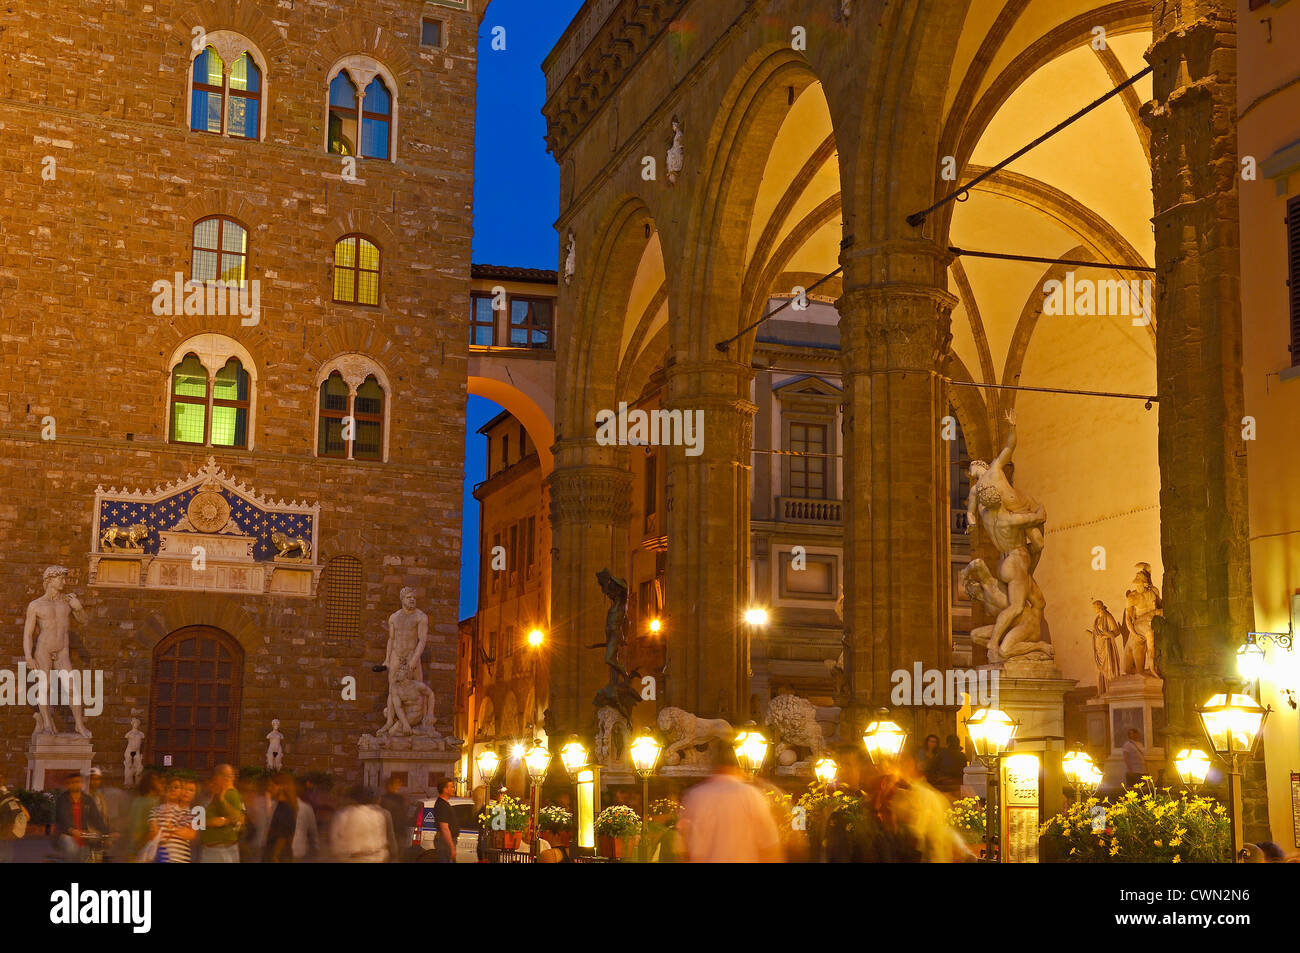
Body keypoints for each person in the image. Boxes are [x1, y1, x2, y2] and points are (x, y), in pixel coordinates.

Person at [679, 747, 781, 863]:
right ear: (737, 766)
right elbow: (770, 844)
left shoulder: (695, 796)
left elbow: (685, 846)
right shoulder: (751, 795)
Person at [330, 786, 396, 863]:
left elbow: (335, 843)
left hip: (353, 858)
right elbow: (385, 838)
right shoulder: (378, 815)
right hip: (377, 857)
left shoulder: (343, 815)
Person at [53, 773, 109, 862]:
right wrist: (72, 830)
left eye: (78, 782)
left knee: (94, 853)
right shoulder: (62, 800)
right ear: (68, 784)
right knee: (71, 847)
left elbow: (96, 818)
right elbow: (63, 818)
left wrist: (107, 832)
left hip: (84, 835)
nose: (76, 784)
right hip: (66, 834)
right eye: (73, 782)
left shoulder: (87, 799)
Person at [147, 776, 198, 863]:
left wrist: (170, 828)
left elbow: (191, 834)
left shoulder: (191, 813)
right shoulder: (155, 810)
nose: (173, 789)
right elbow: (152, 835)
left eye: (176, 787)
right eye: (170, 787)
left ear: (181, 791)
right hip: (161, 858)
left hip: (180, 859)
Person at [200, 764, 245, 863]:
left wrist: (222, 800)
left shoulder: (232, 795)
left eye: (229, 777)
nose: (229, 781)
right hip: (210, 849)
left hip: (224, 848)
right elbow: (195, 822)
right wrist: (209, 822)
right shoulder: (205, 796)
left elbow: (240, 820)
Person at [127, 771, 163, 859]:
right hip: (146, 849)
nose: (162, 784)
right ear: (152, 785)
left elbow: (130, 823)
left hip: (133, 848)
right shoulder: (155, 802)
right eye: (159, 782)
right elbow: (153, 830)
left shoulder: (136, 801)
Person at [0, 775, 30, 863]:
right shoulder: (9, 794)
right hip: (11, 831)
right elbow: (27, 816)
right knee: (7, 854)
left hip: (4, 829)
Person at [433, 777, 459, 863]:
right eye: (451, 787)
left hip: (446, 842)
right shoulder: (442, 806)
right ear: (445, 789)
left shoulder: (444, 804)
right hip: (445, 842)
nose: (453, 789)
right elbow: (444, 828)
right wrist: (451, 847)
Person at [380, 775, 408, 847]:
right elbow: (402, 817)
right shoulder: (399, 799)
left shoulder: (382, 799)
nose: (399, 785)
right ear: (392, 785)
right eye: (397, 783)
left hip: (387, 833)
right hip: (396, 832)